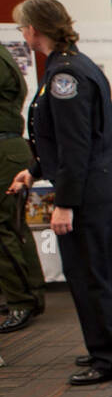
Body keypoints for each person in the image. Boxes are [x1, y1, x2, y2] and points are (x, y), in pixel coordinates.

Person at [7, 0, 112, 382]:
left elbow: (77, 145)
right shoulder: (69, 66)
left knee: (90, 273)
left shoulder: (65, 75)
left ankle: (110, 358)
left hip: (87, 189)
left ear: (34, 29)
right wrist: (33, 170)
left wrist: (64, 204)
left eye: (22, 28)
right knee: (90, 272)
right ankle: (103, 347)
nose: (23, 35)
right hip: (93, 182)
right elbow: (60, 141)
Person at [0, 41, 45, 333]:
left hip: (4, 147)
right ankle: (30, 296)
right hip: (9, 146)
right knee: (14, 226)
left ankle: (22, 301)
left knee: (4, 229)